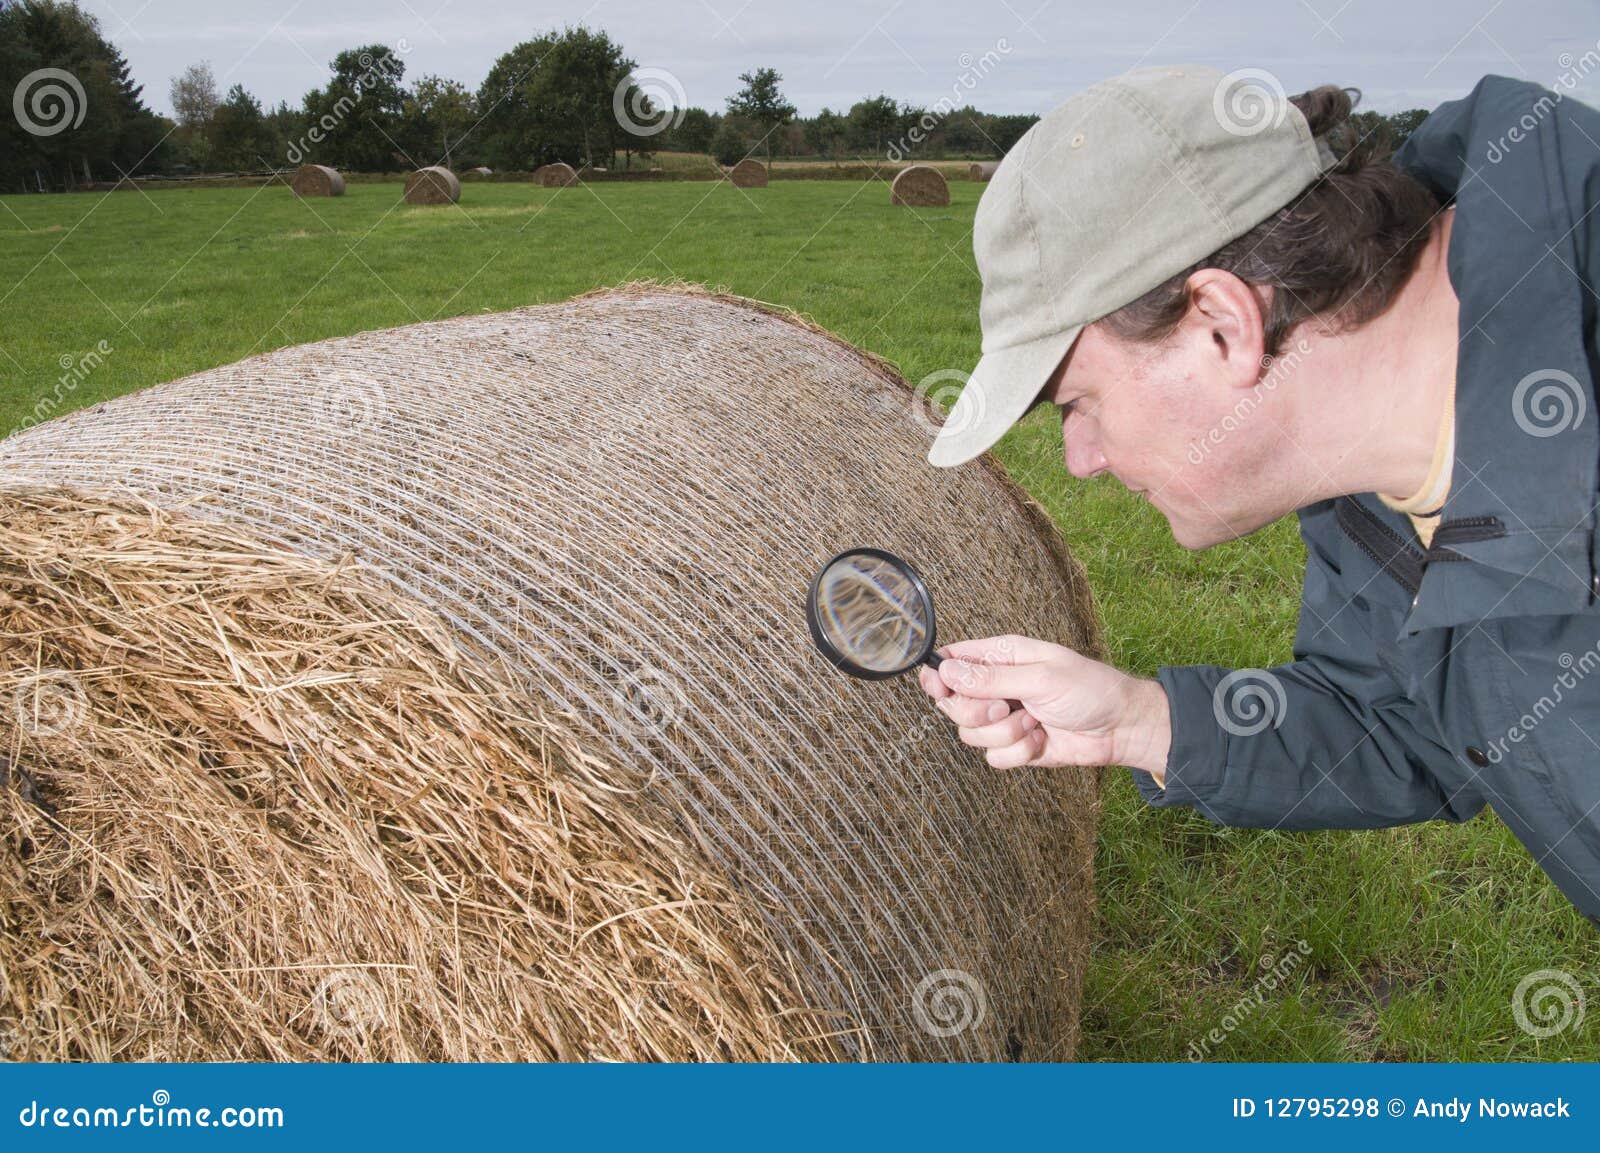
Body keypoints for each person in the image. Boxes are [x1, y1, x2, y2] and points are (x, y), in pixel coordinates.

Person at [919, 65, 1600, 926]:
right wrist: (1139, 721)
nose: (1081, 458)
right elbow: (1399, 720)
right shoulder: (1366, 495)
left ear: (1222, 324)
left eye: (1077, 404)